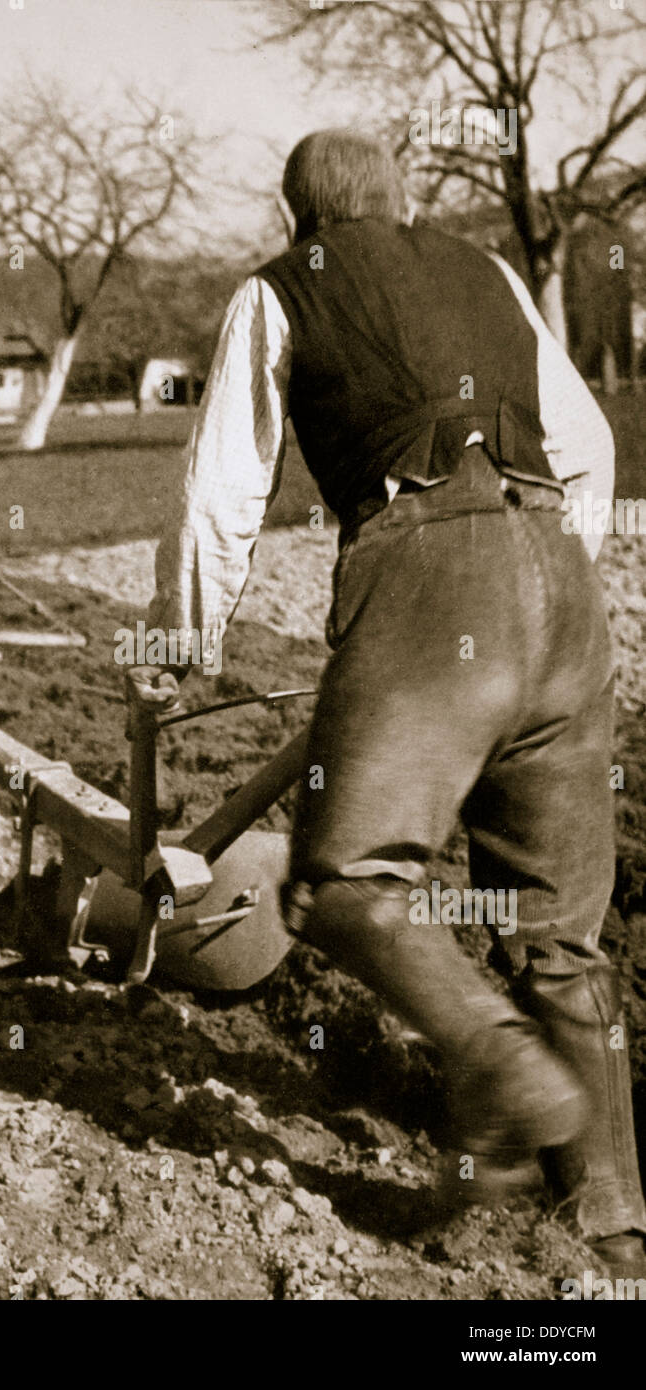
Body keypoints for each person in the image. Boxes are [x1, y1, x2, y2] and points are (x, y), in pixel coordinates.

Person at [125, 129, 646, 1277]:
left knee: (344, 881)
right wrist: (548, 575)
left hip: (425, 576)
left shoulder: (279, 291)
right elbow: (592, 445)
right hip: (564, 592)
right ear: (399, 199)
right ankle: (612, 1232)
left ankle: (497, 1061)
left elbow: (221, 491)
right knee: (557, 935)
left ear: (299, 214)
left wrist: (182, 639)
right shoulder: (488, 270)